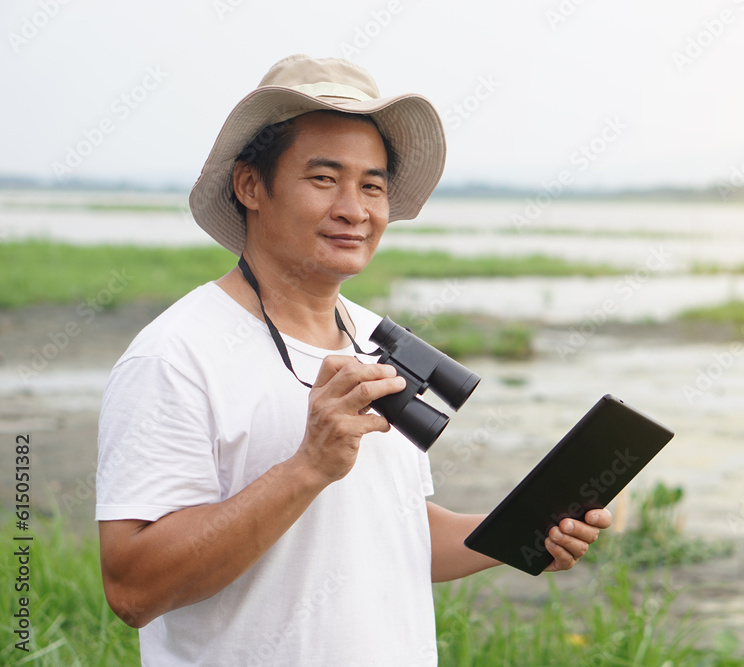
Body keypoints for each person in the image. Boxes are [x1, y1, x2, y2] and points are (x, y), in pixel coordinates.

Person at [96, 54, 612, 665]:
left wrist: (519, 534)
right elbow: (133, 589)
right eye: (323, 179)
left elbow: (395, 531)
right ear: (250, 186)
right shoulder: (175, 355)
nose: (354, 210)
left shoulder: (373, 338)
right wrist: (308, 466)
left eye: (372, 186)